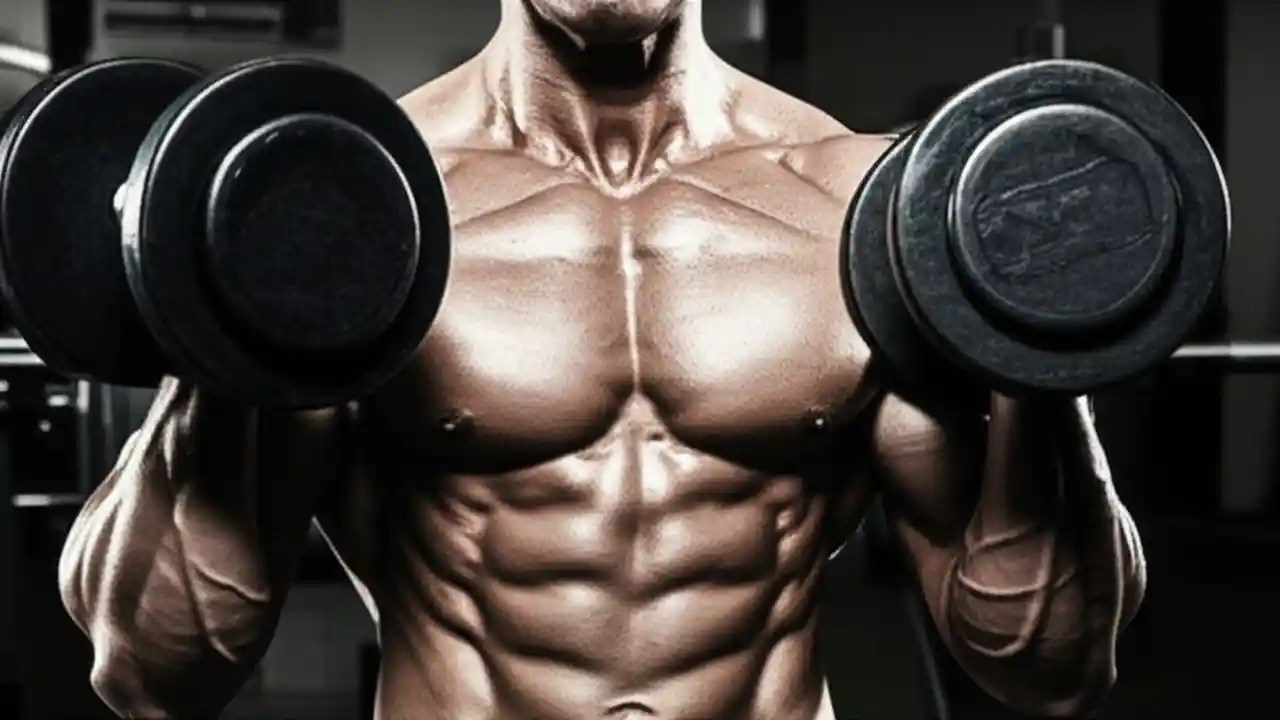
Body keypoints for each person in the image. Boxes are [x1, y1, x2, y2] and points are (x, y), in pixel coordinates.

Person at [57, 1, 1147, 718]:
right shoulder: (355, 212)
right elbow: (156, 673)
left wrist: (1037, 332)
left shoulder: (858, 215)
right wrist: (219, 311)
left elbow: (1042, 664)